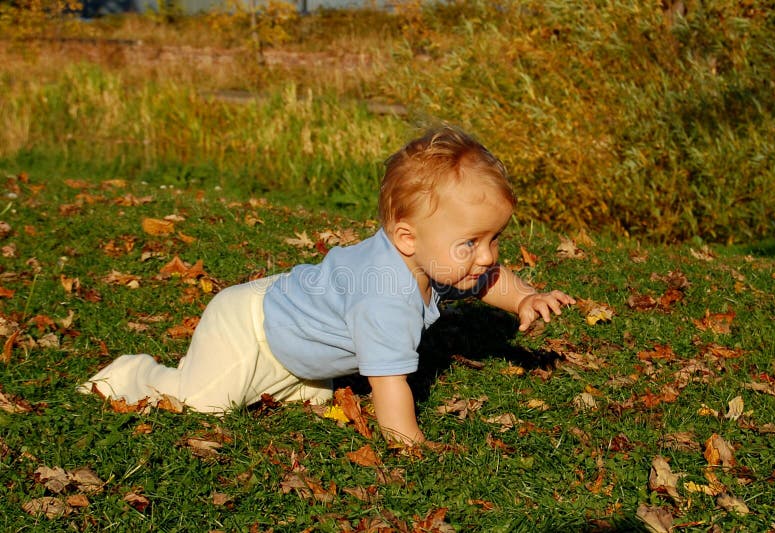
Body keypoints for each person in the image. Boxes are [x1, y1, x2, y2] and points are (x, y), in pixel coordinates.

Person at [81, 126, 575, 446]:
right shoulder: (387, 296)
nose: (487, 256)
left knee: (285, 394)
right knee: (203, 405)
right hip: (249, 326)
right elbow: (388, 384)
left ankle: (298, 376)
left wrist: (525, 297)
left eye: (494, 239)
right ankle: (132, 375)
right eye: (471, 242)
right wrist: (410, 444)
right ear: (407, 237)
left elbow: (489, 280)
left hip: (293, 332)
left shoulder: (438, 257)